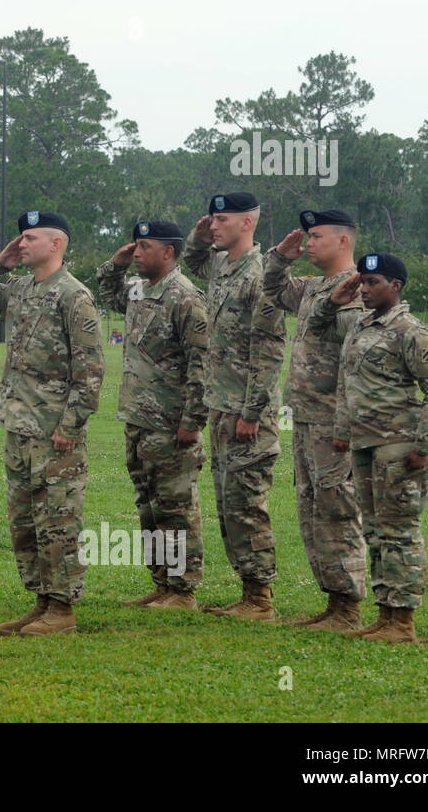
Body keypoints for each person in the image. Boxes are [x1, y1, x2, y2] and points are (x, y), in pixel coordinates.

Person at [0, 210, 104, 636]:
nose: (21, 244)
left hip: (53, 431)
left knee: (58, 519)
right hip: (19, 425)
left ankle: (62, 610)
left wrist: (70, 425)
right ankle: (42, 600)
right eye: (19, 238)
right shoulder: (22, 289)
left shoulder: (73, 295)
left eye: (29, 238)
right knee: (26, 520)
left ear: (56, 244)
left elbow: (91, 370)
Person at [311, 254, 428, 643]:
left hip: (399, 447)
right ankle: (385, 615)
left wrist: (424, 444)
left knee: (400, 532)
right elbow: (343, 377)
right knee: (374, 531)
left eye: (372, 282)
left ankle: (403, 622)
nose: (365, 290)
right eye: (363, 282)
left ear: (396, 286)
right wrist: (342, 430)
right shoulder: (360, 325)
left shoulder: (410, 331)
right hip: (365, 445)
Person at [183, 192, 286, 620]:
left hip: (248, 414)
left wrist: (251, 412)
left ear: (247, 223)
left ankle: (260, 598)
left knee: (247, 503)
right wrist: (199, 231)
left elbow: (269, 349)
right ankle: (248, 592)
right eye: (211, 220)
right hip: (222, 405)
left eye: (221, 220)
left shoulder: (259, 275)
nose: (213, 227)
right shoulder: (223, 266)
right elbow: (192, 260)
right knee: (229, 503)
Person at [96, 220, 208, 609]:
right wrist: (116, 263)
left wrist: (191, 424)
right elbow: (107, 294)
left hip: (171, 424)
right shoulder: (140, 290)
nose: (137, 252)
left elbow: (201, 367)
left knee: (176, 509)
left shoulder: (185, 298)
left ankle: (183, 589)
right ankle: (162, 582)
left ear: (169, 252)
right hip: (140, 420)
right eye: (136, 246)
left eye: (145, 246)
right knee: (149, 507)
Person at [263, 209, 366, 631]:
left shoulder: (358, 289)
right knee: (312, 508)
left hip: (333, 422)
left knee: (337, 507)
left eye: (317, 236)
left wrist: (345, 424)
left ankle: (349, 607)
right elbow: (271, 290)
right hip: (306, 419)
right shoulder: (311, 288)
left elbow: (356, 364)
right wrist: (280, 258)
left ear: (343, 241)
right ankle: (334, 601)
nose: (308, 242)